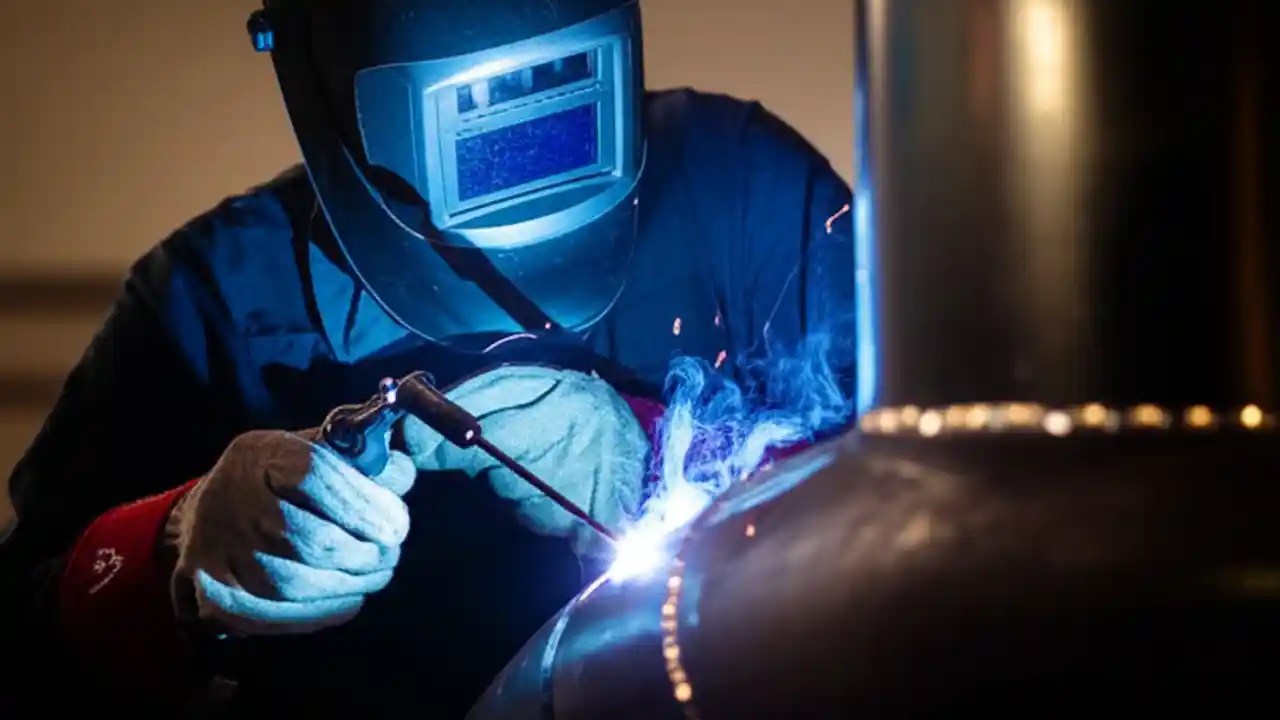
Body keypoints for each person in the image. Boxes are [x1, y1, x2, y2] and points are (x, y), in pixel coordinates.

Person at [0, 0, 856, 716]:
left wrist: (665, 461)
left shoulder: (744, 191)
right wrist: (176, 550)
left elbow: (926, 517)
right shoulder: (214, 302)